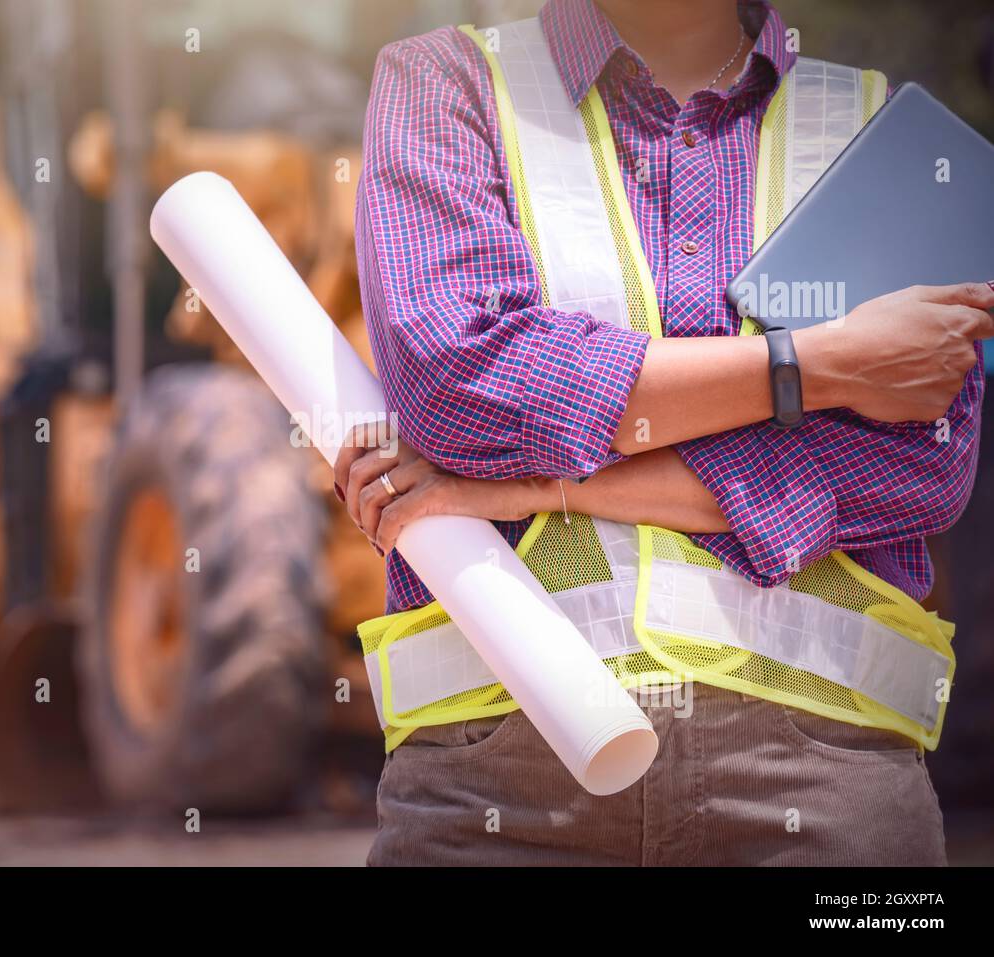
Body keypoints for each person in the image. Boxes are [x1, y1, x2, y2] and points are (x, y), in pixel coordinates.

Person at [337, 0, 993, 865]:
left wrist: (523, 483)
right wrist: (820, 368)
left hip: (827, 794)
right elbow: (461, 384)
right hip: (496, 788)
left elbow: (918, 469)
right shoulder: (446, 87)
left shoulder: (877, 130)